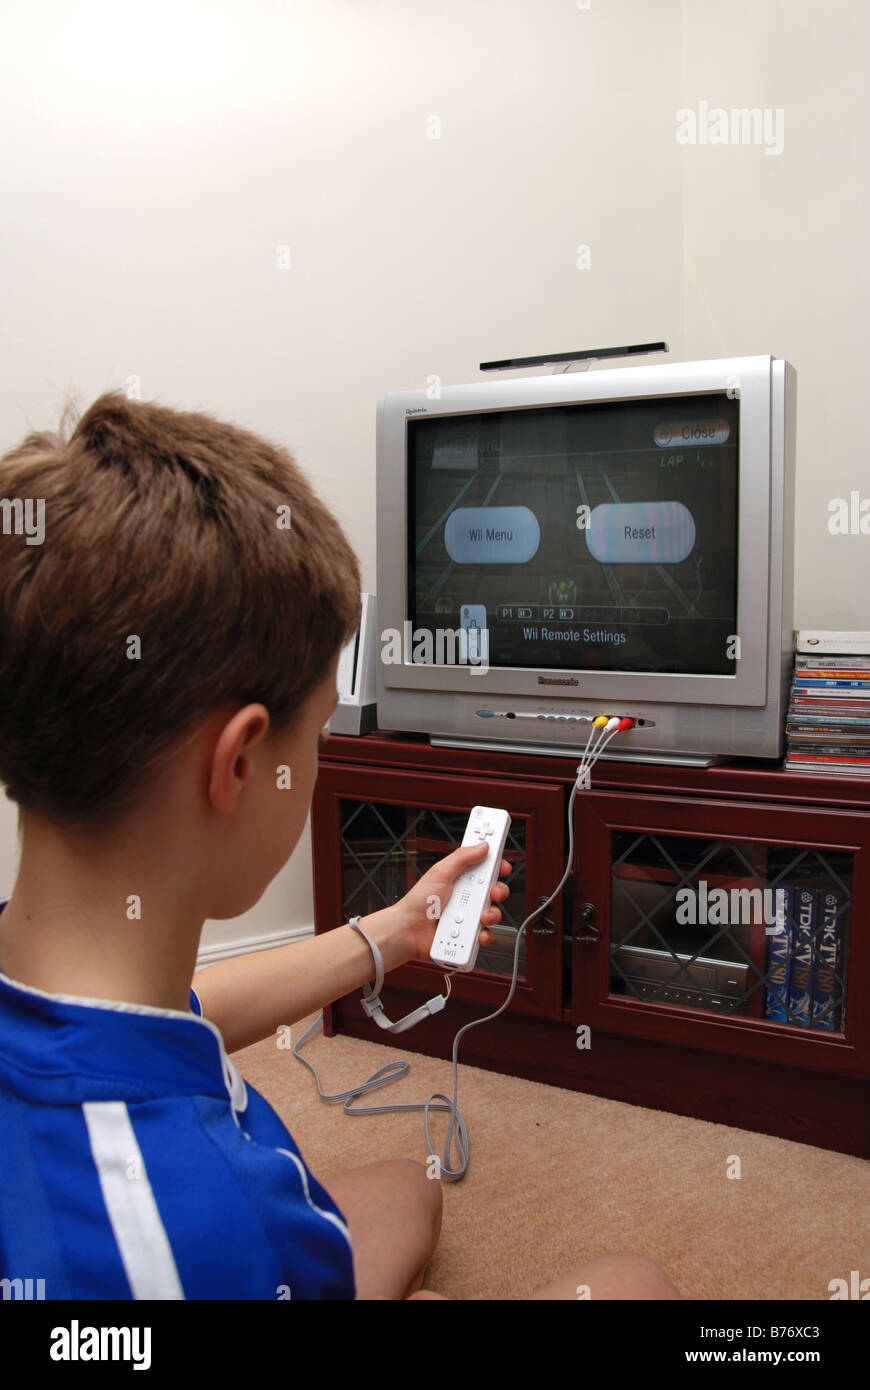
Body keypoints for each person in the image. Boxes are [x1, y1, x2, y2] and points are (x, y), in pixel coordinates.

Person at [0, 392, 682, 1301]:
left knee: (406, 1189)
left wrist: (392, 934)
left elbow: (182, 1012)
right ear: (240, 762)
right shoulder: (195, 1235)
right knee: (633, 1283)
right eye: (319, 731)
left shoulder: (50, 960)